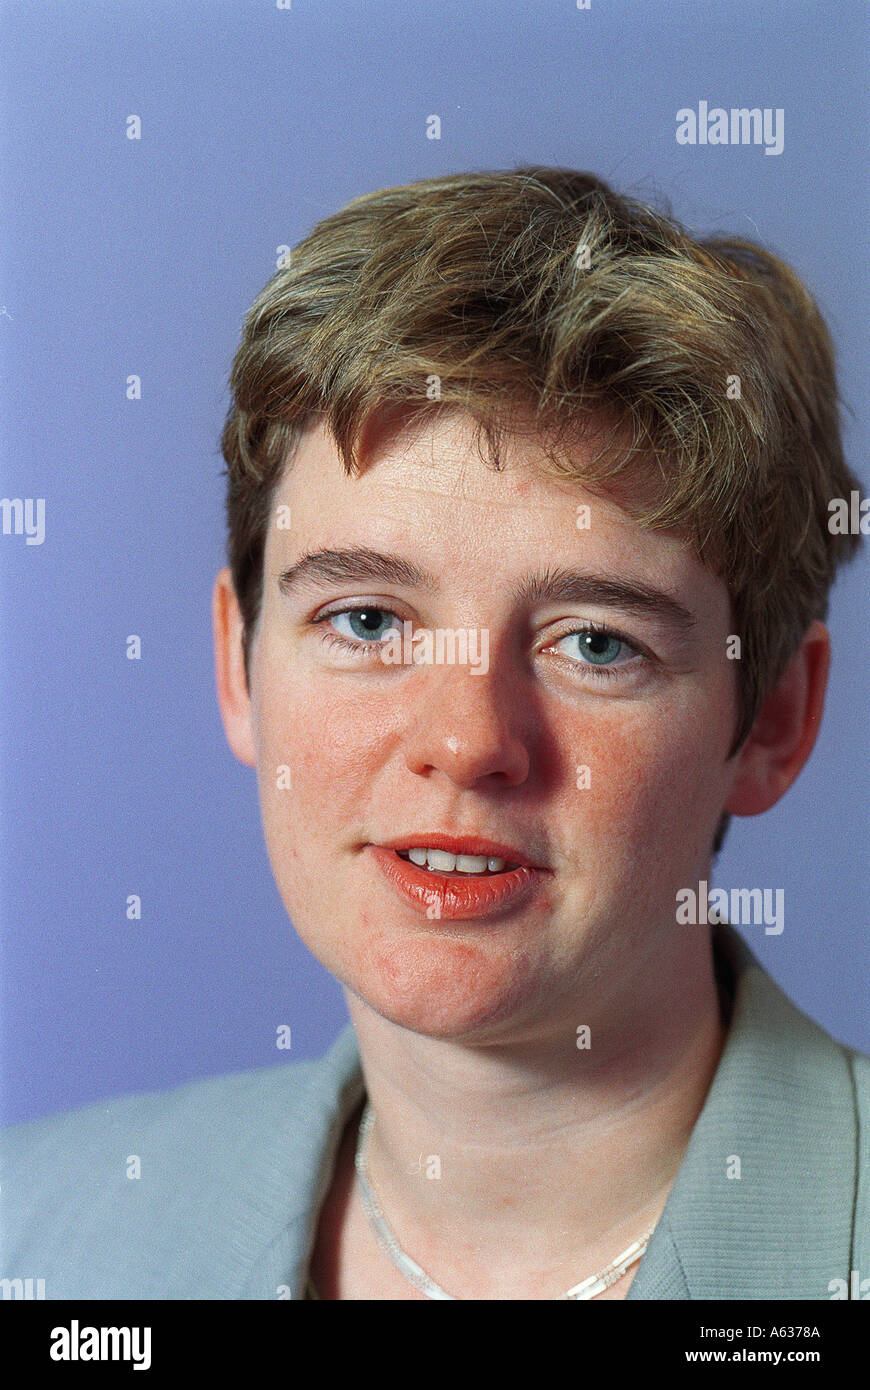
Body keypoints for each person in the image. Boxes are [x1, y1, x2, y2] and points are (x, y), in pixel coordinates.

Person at [2, 166, 868, 1300]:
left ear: (777, 723)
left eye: (596, 643)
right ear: (238, 663)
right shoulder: (36, 1241)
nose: (467, 742)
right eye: (365, 619)